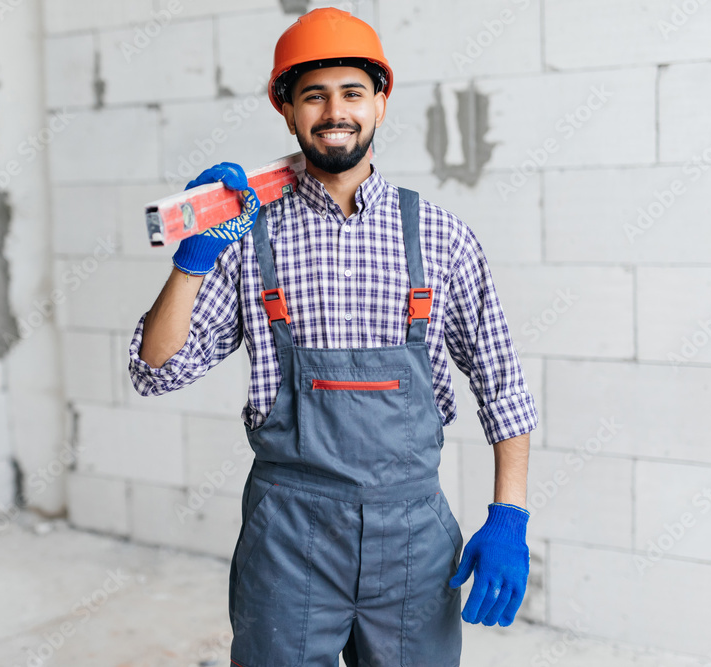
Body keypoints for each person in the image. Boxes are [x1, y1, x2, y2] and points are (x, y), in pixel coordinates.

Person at [128, 7, 539, 666]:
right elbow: (154, 371)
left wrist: (511, 516)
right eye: (313, 95)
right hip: (288, 541)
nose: (334, 110)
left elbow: (503, 384)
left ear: (381, 101)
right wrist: (192, 261)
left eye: (352, 91)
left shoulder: (441, 236)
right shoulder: (246, 235)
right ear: (287, 111)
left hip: (411, 540)